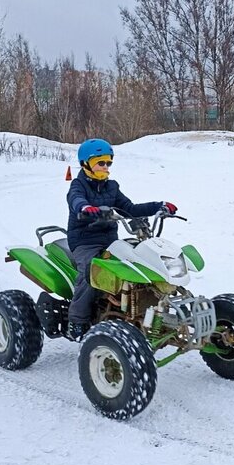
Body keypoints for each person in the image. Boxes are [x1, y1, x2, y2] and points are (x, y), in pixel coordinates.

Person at [65, 138, 177, 340]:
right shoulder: (78, 185)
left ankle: (135, 307)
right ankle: (77, 321)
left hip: (110, 239)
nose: (105, 167)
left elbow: (130, 209)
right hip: (84, 241)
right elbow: (75, 200)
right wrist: (85, 208)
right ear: (86, 164)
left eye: (108, 163)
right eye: (101, 162)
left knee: (137, 263)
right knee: (91, 270)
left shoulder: (112, 187)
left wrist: (158, 206)